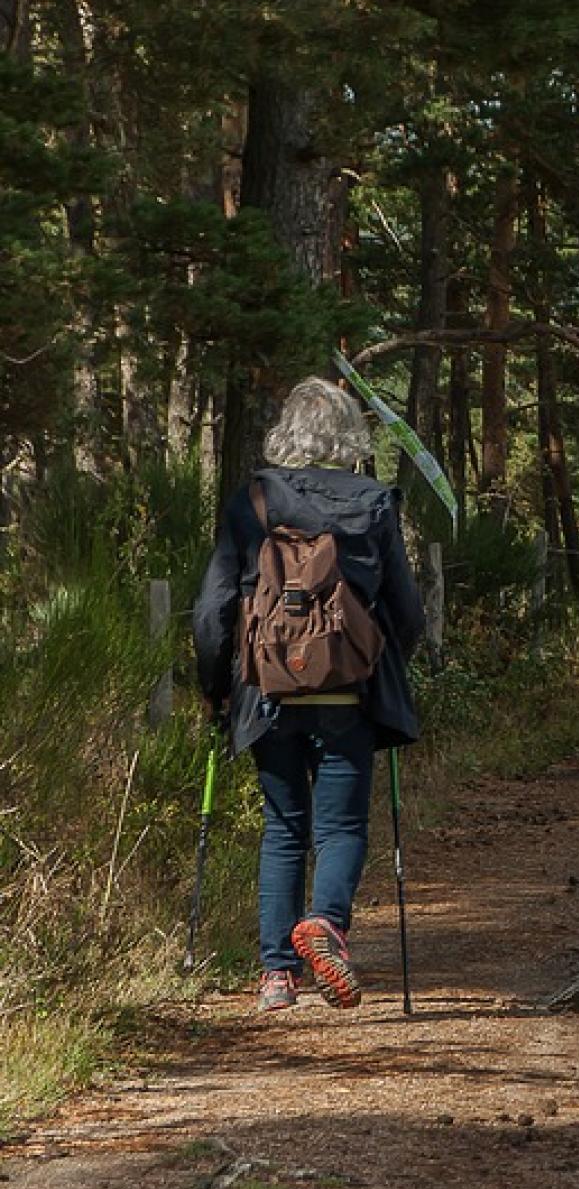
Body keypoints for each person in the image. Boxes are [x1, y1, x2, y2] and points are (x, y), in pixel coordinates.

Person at [193, 378, 425, 1014]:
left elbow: (213, 610)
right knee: (342, 826)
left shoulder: (253, 501)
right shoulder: (374, 502)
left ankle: (276, 975)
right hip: (348, 693)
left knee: (284, 826)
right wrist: (385, 665)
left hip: (266, 694)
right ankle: (325, 923)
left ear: (286, 432)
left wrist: (215, 690)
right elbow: (407, 613)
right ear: (349, 435)